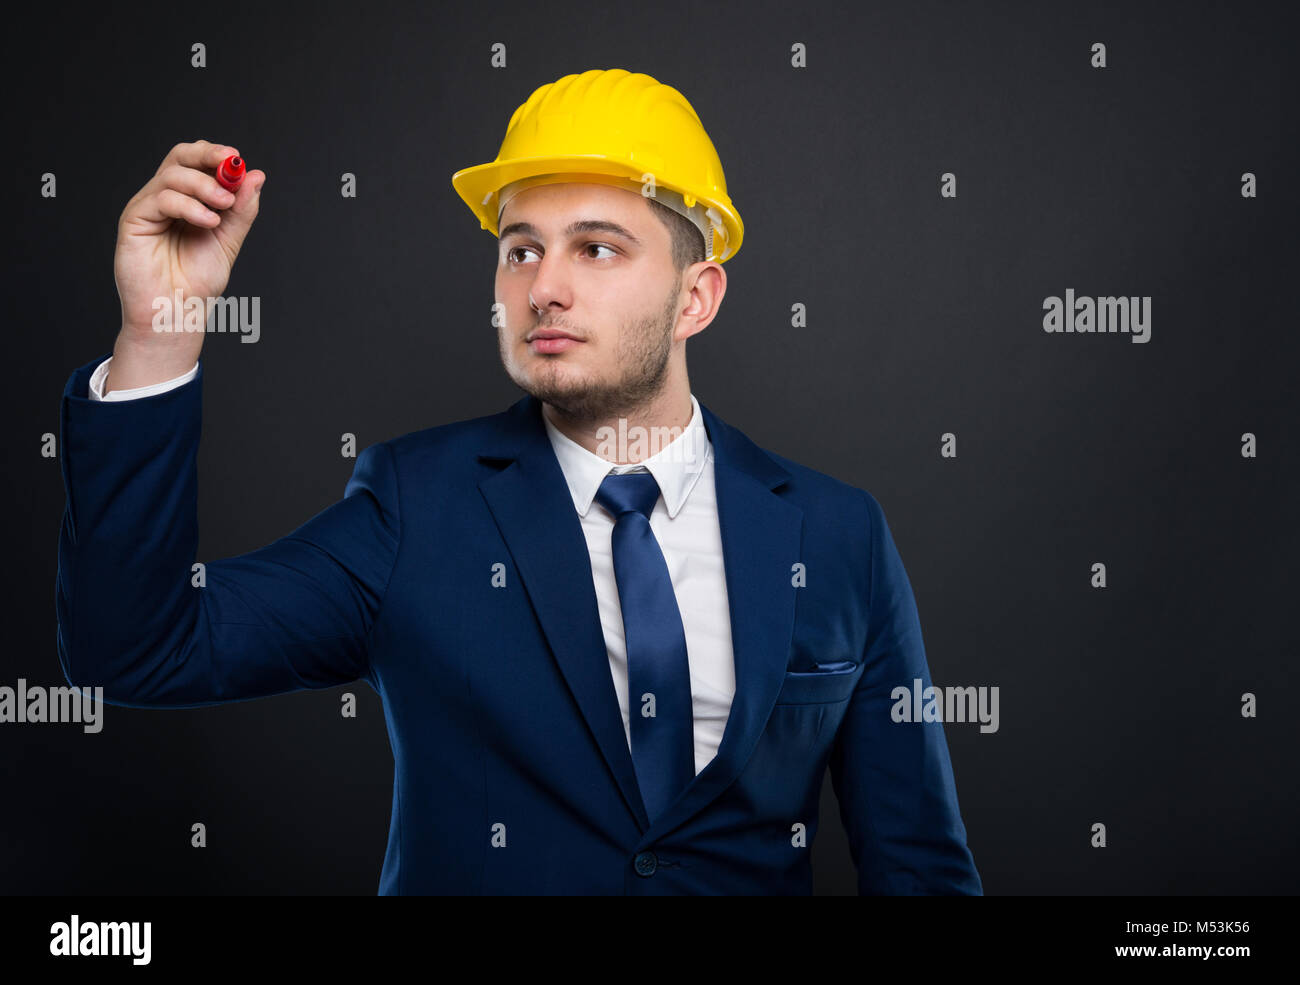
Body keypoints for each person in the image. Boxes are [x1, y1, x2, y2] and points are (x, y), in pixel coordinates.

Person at [56, 68, 982, 895]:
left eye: (598, 248)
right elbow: (134, 649)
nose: (545, 287)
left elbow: (918, 865)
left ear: (695, 298)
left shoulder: (836, 533)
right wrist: (159, 329)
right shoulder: (413, 506)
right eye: (521, 249)